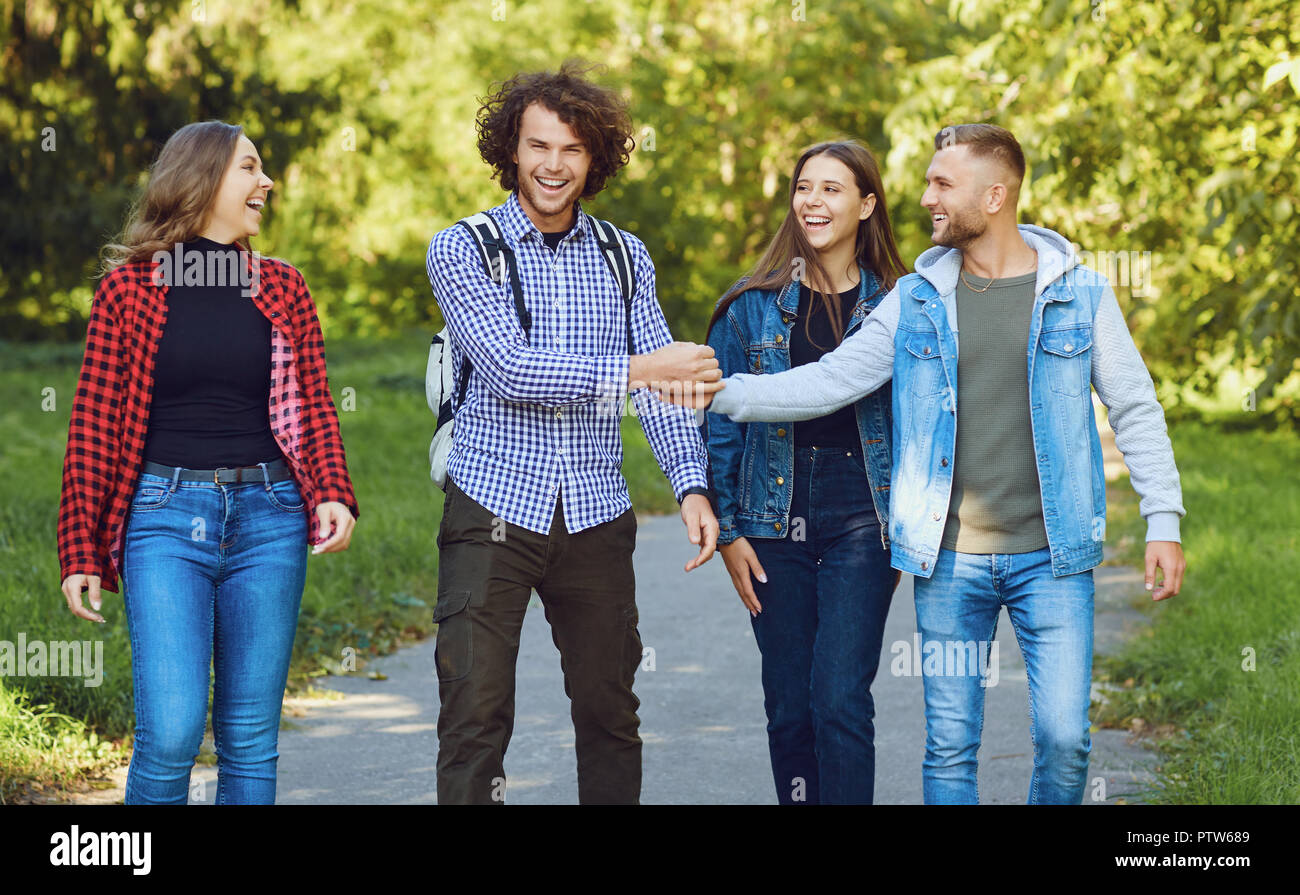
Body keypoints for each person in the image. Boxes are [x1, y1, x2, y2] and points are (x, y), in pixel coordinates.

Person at [682, 123, 1187, 805]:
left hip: (1055, 557)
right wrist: (723, 392)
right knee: (949, 746)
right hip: (950, 557)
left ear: (996, 195)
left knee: (1067, 739)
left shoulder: (1081, 293)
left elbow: (1136, 406)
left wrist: (1164, 518)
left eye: (942, 184)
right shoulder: (915, 298)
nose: (925, 198)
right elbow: (831, 380)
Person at [424, 62, 723, 805]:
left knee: (609, 712)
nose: (553, 165)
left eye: (571, 149)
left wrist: (689, 482)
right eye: (538, 146)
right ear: (511, 151)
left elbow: (661, 388)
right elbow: (511, 371)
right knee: (474, 715)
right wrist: (638, 369)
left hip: (594, 512)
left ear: (596, 158)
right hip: (492, 505)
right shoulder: (464, 248)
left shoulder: (625, 256)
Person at [57, 120, 359, 804]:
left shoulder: (283, 286)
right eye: (251, 168)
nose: (267, 182)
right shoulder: (129, 290)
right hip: (164, 517)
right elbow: (94, 427)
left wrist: (333, 490)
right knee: (170, 730)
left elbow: (313, 401)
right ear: (203, 179)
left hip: (271, 515)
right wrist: (79, 548)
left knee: (250, 736)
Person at [705, 140, 907, 804]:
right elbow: (719, 421)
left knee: (840, 697)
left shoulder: (904, 306)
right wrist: (729, 530)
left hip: (862, 512)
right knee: (790, 703)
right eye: (803, 187)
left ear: (867, 203)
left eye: (832, 188)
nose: (813, 201)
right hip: (771, 515)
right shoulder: (749, 307)